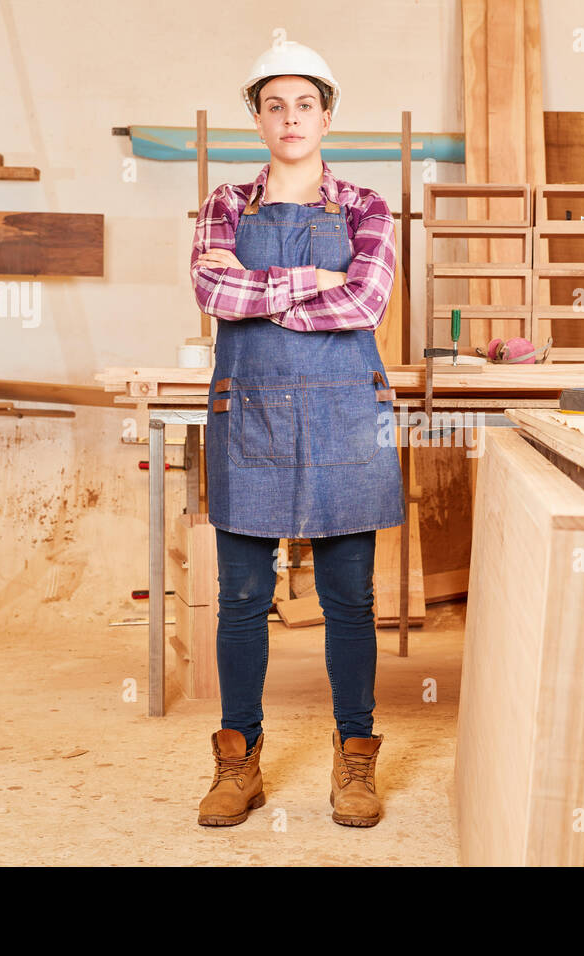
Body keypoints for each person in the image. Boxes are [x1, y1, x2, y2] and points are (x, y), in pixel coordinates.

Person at [188, 40, 403, 829]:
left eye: (304, 105)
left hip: (345, 413)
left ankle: (354, 761)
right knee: (241, 603)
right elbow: (210, 287)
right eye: (274, 105)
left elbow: (364, 304)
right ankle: (237, 765)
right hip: (249, 417)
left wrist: (262, 293)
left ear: (327, 114)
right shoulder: (223, 203)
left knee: (351, 601)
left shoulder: (367, 207)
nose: (289, 119)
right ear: (256, 117)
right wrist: (310, 280)